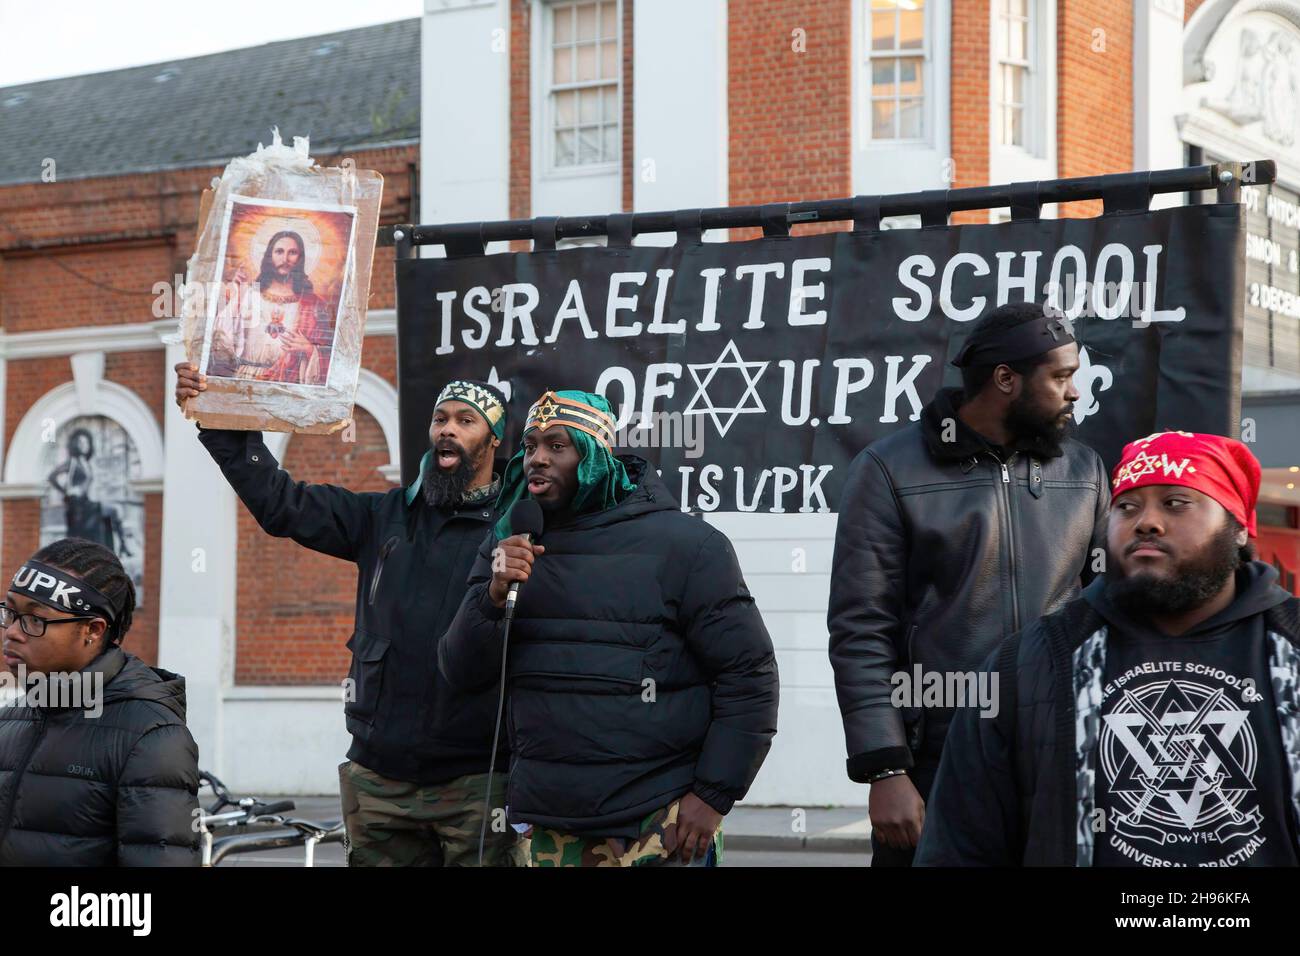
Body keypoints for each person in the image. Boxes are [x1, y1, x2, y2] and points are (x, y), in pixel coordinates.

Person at [174, 367, 527, 867]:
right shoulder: (382, 516)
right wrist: (221, 417)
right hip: (378, 779)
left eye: (465, 421)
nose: (447, 429)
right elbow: (283, 504)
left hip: (478, 783)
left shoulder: (518, 530)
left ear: (492, 441)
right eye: (440, 418)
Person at [917, 431, 1300, 867]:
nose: (1146, 522)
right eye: (1127, 507)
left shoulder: (1292, 648)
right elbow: (959, 847)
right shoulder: (1028, 664)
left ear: (1237, 528)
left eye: (1175, 503)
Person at [439, 389, 779, 867]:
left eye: (557, 446)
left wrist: (714, 794)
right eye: (531, 444)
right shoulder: (508, 544)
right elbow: (459, 670)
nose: (537, 458)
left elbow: (750, 675)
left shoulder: (689, 546)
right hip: (549, 831)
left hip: (658, 825)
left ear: (596, 455)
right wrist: (492, 597)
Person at [828, 301, 1109, 866]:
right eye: (1060, 376)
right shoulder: (888, 469)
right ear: (1006, 379)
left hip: (1061, 754)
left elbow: (1113, 610)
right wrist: (884, 767)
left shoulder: (1084, 471)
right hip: (938, 761)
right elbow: (861, 627)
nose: (1075, 392)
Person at [0, 538, 200, 866]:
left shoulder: (150, 735)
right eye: (10, 612)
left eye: (35, 620)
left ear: (92, 630)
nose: (12, 632)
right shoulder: (9, 720)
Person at [208, 230, 334, 385]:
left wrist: (309, 350)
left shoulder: (313, 304)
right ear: (269, 255)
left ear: (300, 259)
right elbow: (220, 342)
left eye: (292, 253)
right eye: (279, 251)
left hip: (288, 386)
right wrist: (238, 297)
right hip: (244, 382)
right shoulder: (248, 293)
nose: (285, 259)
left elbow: (331, 357)